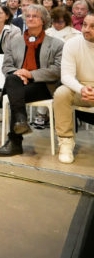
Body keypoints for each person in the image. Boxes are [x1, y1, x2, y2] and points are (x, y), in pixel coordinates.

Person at [0, 4, 64, 157]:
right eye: (28, 16)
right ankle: (20, 120)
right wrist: (19, 73)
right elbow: (6, 66)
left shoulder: (57, 44)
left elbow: (57, 70)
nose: (30, 18)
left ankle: (15, 141)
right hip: (17, 82)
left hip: (43, 86)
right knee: (12, 79)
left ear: (43, 20)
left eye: (35, 16)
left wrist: (31, 74)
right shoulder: (14, 42)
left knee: (14, 93)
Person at [53, 13, 94, 164]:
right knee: (61, 93)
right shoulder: (72, 43)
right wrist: (81, 89)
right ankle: (66, 141)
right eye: (84, 25)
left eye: (92, 26)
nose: (86, 29)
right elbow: (66, 76)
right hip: (80, 88)